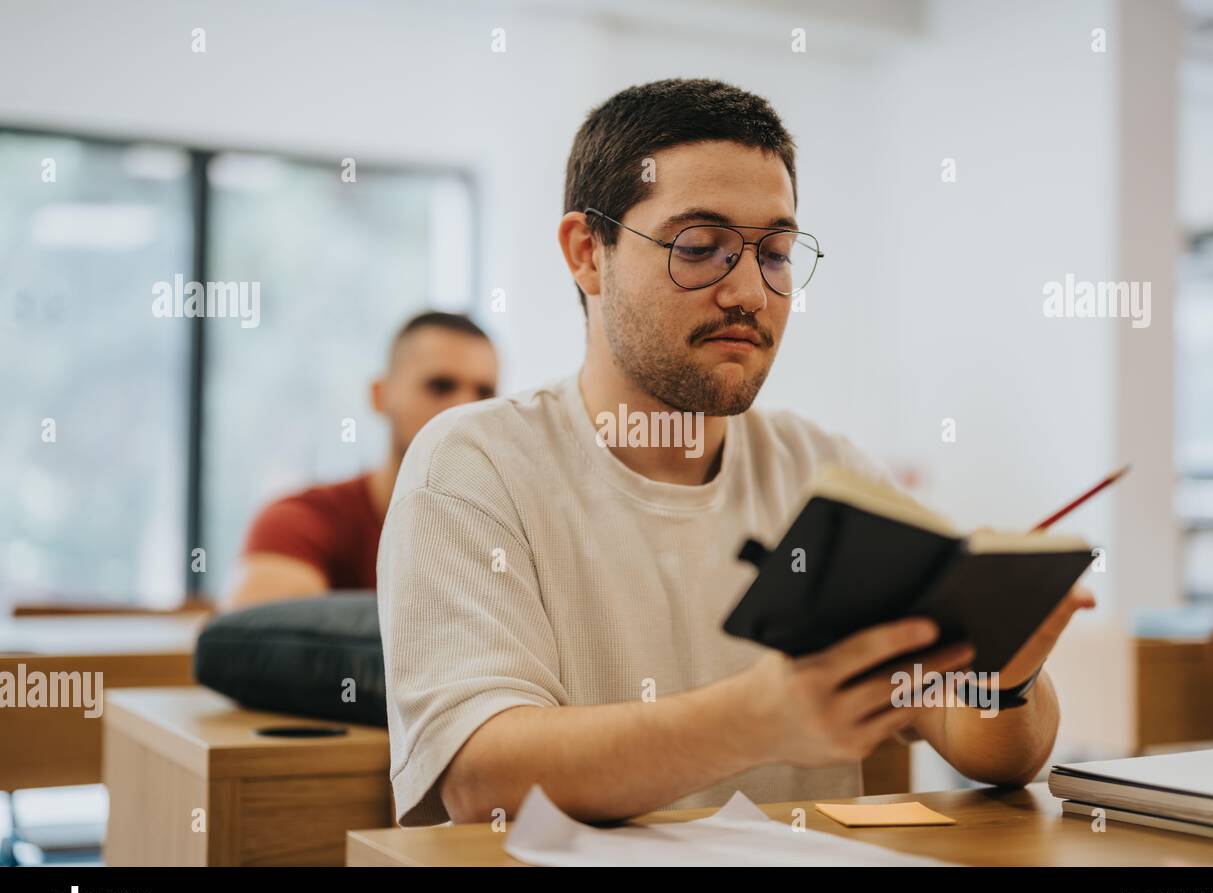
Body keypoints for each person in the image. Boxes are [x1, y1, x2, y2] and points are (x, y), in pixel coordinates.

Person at [378, 79, 1094, 826]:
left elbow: (996, 750)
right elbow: (478, 777)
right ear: (589, 253)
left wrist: (1006, 678)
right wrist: (756, 719)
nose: (751, 291)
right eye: (701, 248)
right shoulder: (471, 466)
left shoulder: (830, 473)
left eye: (776, 254)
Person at [227, 311, 497, 609]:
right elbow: (255, 645)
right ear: (380, 396)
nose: (465, 409)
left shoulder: (501, 533)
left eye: (485, 393)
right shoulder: (301, 521)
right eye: (440, 386)